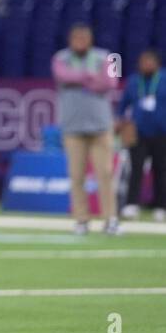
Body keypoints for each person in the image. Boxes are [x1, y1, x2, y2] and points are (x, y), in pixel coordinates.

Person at [51, 22, 118, 235]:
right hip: (73, 127)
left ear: (90, 39)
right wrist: (89, 77)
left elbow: (110, 83)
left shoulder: (105, 57)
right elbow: (63, 76)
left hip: (100, 126)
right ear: (71, 40)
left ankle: (110, 219)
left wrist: (79, 78)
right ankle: (81, 220)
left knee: (105, 174)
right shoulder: (61, 58)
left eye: (83, 38)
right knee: (76, 175)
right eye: (76, 38)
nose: (80, 42)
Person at [118, 48, 166, 221]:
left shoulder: (164, 79)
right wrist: (121, 120)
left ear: (157, 63)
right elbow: (123, 105)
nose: (146, 65)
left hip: (162, 132)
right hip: (138, 132)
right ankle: (131, 204)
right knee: (135, 168)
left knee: (161, 170)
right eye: (143, 62)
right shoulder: (133, 81)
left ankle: (161, 206)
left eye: (150, 61)